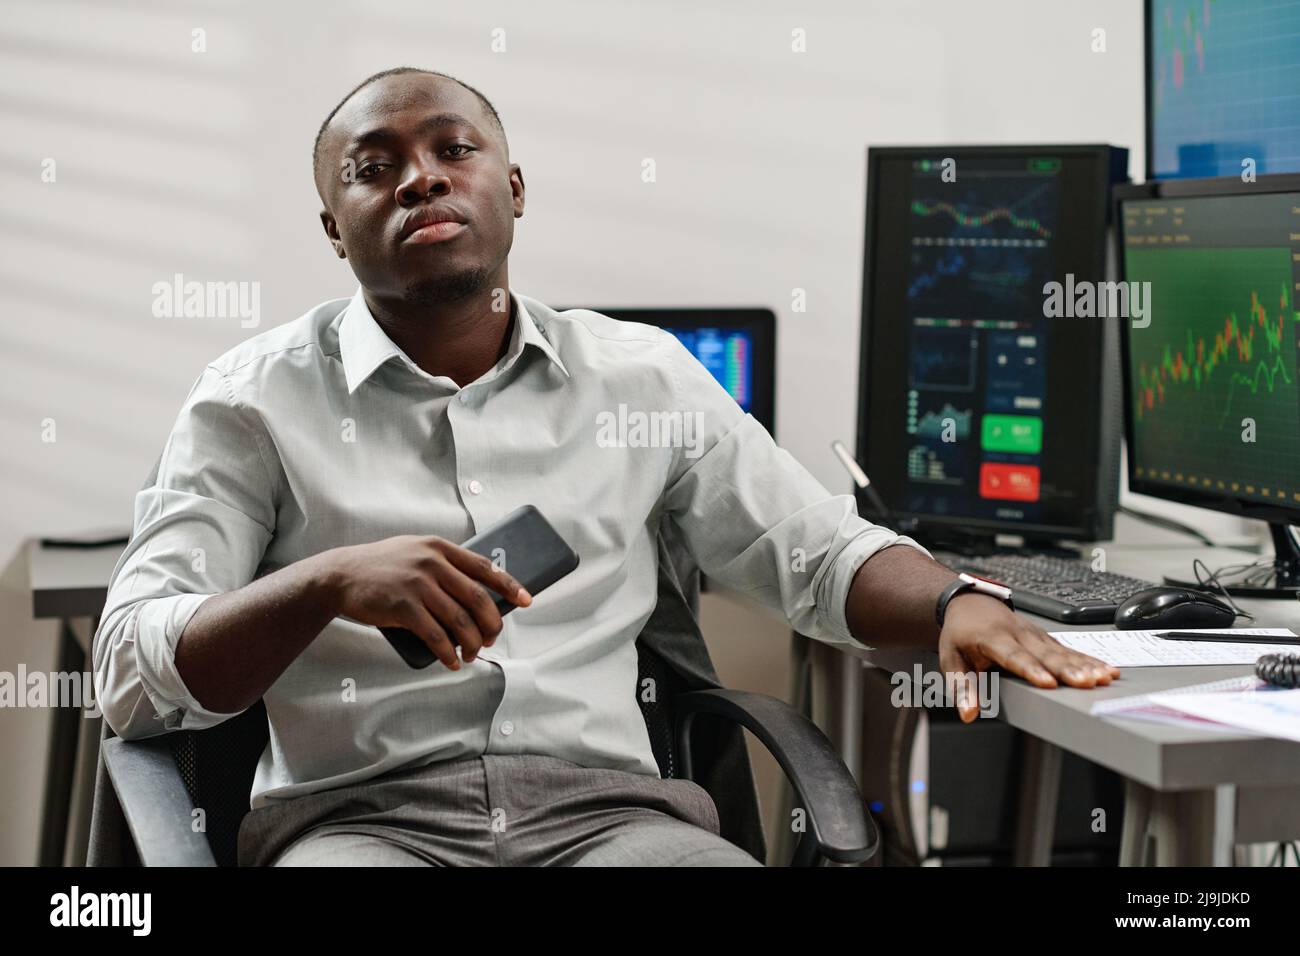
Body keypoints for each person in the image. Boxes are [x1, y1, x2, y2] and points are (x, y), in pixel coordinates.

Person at [92, 67, 1118, 867]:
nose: (421, 177)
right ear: (333, 228)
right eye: (374, 167)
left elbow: (813, 552)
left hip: (611, 820)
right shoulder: (252, 401)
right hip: (360, 825)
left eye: (454, 148)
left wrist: (949, 603)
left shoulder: (641, 378)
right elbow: (129, 673)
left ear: (514, 188)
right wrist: (326, 582)